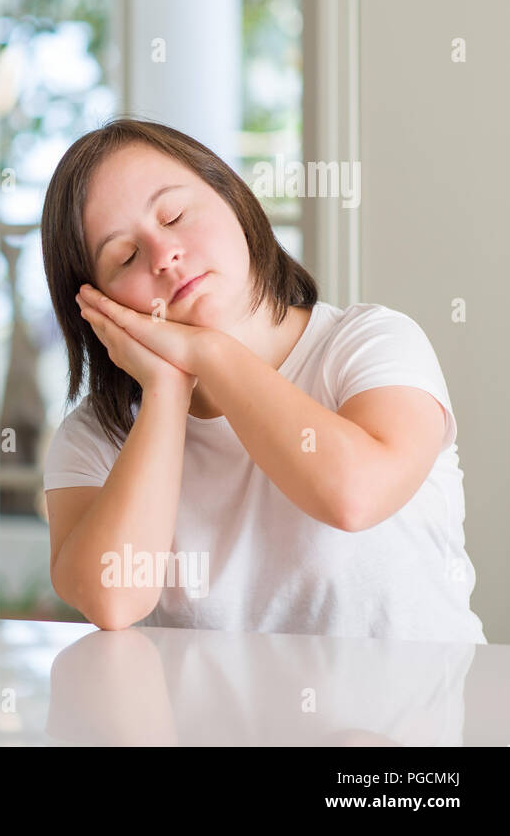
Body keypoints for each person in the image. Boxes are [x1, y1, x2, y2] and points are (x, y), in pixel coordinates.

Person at [41, 118, 485, 644]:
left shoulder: (372, 342)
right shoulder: (97, 434)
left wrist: (207, 350)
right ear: (100, 308)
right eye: (126, 256)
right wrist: (165, 391)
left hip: (424, 724)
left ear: (232, 198)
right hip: (225, 731)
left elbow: (354, 496)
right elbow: (113, 598)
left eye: (176, 215)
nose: (165, 256)